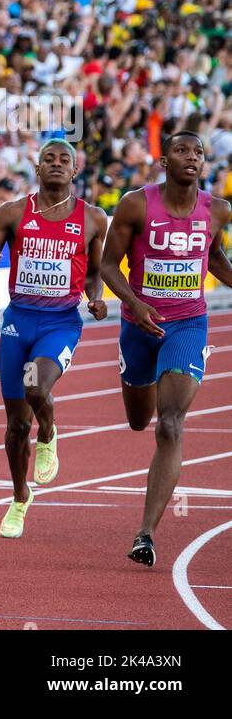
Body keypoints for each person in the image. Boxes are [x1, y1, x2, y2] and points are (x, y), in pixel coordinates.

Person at [100, 132, 232, 567]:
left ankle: (145, 534)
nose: (191, 157)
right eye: (181, 150)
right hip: (139, 326)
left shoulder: (218, 210)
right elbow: (106, 263)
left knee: (170, 424)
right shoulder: (136, 204)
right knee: (139, 420)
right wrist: (134, 303)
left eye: (197, 152)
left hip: (188, 324)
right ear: (163, 160)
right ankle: (145, 382)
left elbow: (213, 257)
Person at [0, 139, 109, 539]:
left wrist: (96, 299)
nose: (57, 164)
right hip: (18, 321)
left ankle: (47, 432)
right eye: (50, 158)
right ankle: (19, 496)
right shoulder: (12, 213)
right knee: (14, 426)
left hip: (61, 321)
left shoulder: (94, 218)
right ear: (38, 165)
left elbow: (96, 272)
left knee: (36, 385)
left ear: (75, 170)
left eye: (65, 159)